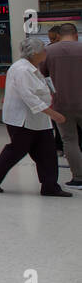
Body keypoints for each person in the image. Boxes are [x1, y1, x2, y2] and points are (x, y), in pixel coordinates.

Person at [0, 38, 71, 197]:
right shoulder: (22, 70)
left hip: (39, 120)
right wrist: (54, 114)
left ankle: (50, 186)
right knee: (16, 150)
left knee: (47, 152)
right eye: (44, 49)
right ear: (35, 53)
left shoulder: (34, 67)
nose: (46, 52)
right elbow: (29, 97)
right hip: (21, 119)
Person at [42, 23, 82, 188]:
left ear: (59, 35)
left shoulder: (49, 51)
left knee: (69, 140)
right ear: (76, 34)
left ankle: (78, 177)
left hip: (61, 104)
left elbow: (42, 75)